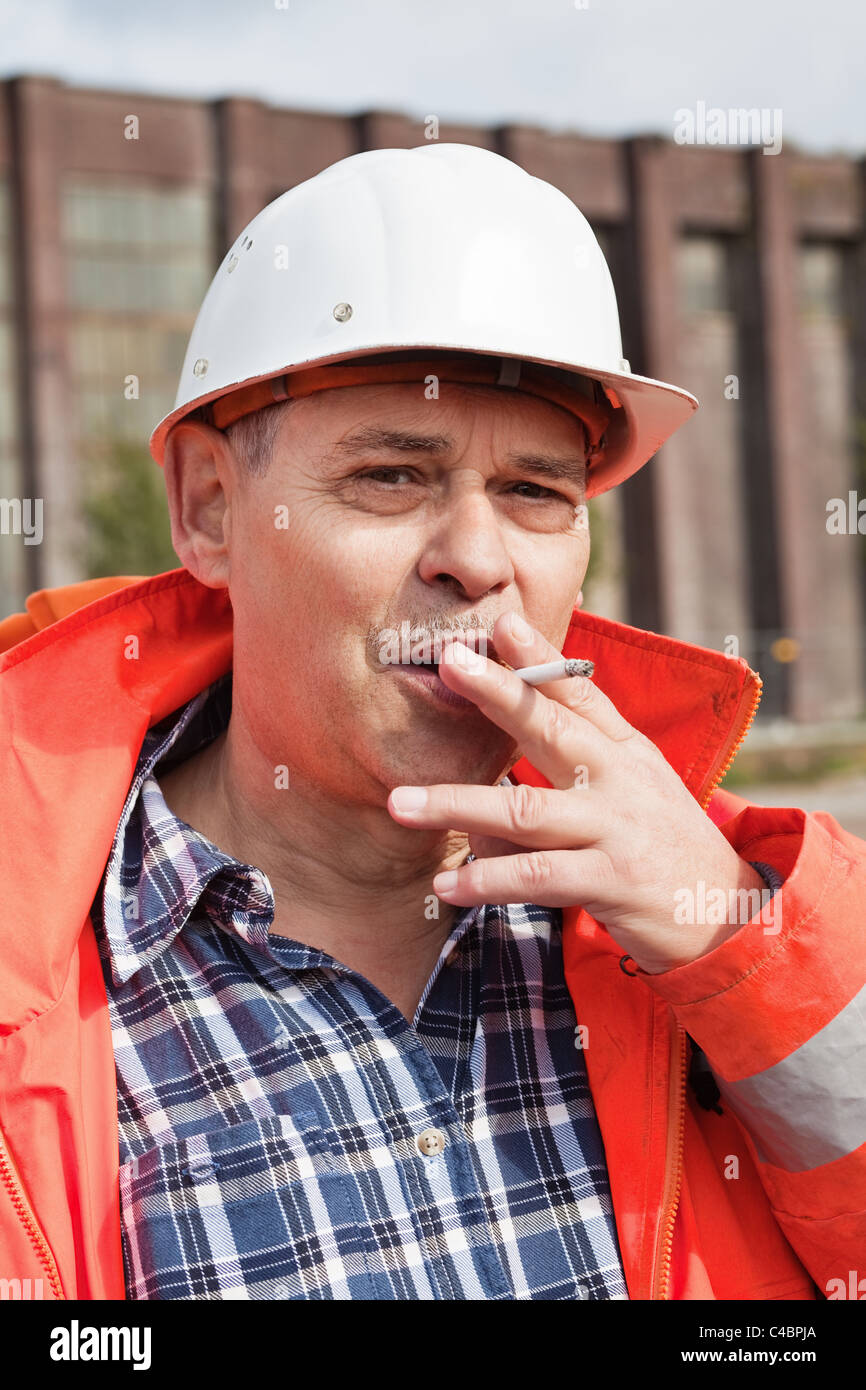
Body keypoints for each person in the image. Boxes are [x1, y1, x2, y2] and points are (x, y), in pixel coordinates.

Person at [0, 144, 862, 1302]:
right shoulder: (38, 976)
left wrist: (746, 952)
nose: (476, 560)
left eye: (534, 492)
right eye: (392, 476)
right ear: (211, 508)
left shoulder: (723, 923)